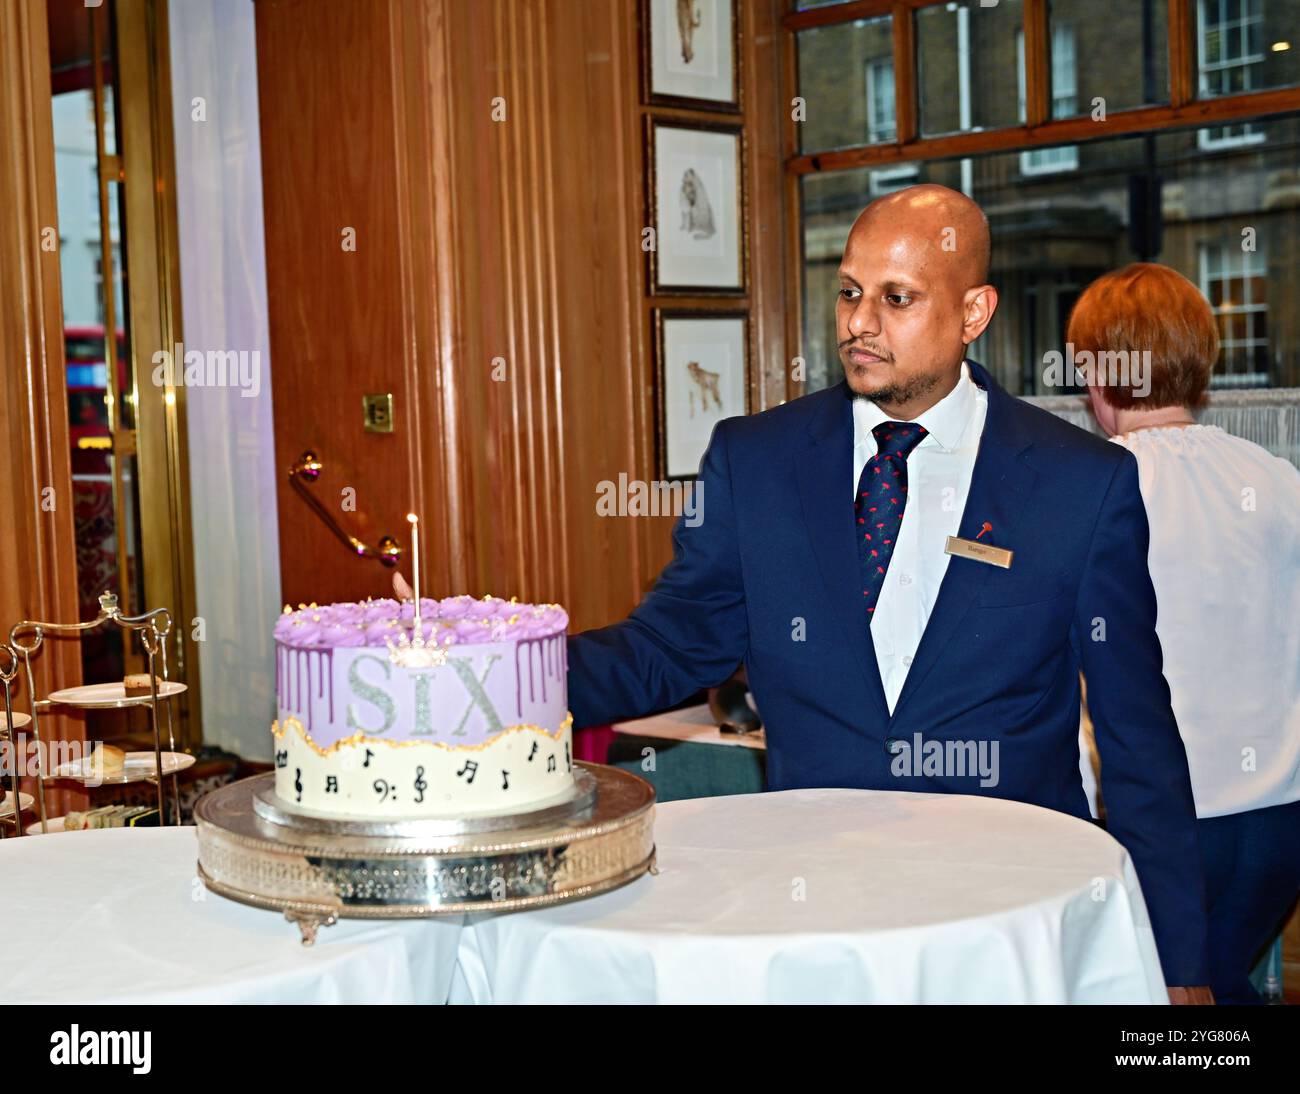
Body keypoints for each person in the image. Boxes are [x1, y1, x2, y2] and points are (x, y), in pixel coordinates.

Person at [567, 185, 1210, 1002]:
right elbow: (668, 647)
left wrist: (1180, 965)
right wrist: (496, 675)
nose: (857, 323)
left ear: (974, 311)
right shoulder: (756, 462)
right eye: (848, 292)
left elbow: (1138, 736)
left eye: (895, 298)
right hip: (817, 912)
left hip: (1011, 916)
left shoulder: (1081, 484)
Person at [1070, 262, 1300, 1004]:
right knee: (1223, 991)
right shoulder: (1275, 478)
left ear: (1096, 374)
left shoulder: (1087, 489)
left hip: (1163, 824)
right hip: (1281, 820)